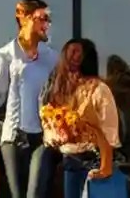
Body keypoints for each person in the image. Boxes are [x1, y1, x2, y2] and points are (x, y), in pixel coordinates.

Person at [0, 0, 58, 198]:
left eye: (48, 20)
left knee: (35, 194)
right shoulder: (4, 56)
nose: (47, 25)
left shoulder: (52, 58)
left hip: (42, 137)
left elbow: (61, 92)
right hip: (13, 136)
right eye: (42, 19)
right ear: (24, 18)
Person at [40, 38, 122, 198]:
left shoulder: (99, 89)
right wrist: (52, 137)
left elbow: (110, 129)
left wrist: (106, 165)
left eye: (78, 51)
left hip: (91, 162)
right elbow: (48, 124)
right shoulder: (58, 90)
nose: (73, 55)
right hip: (64, 162)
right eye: (69, 50)